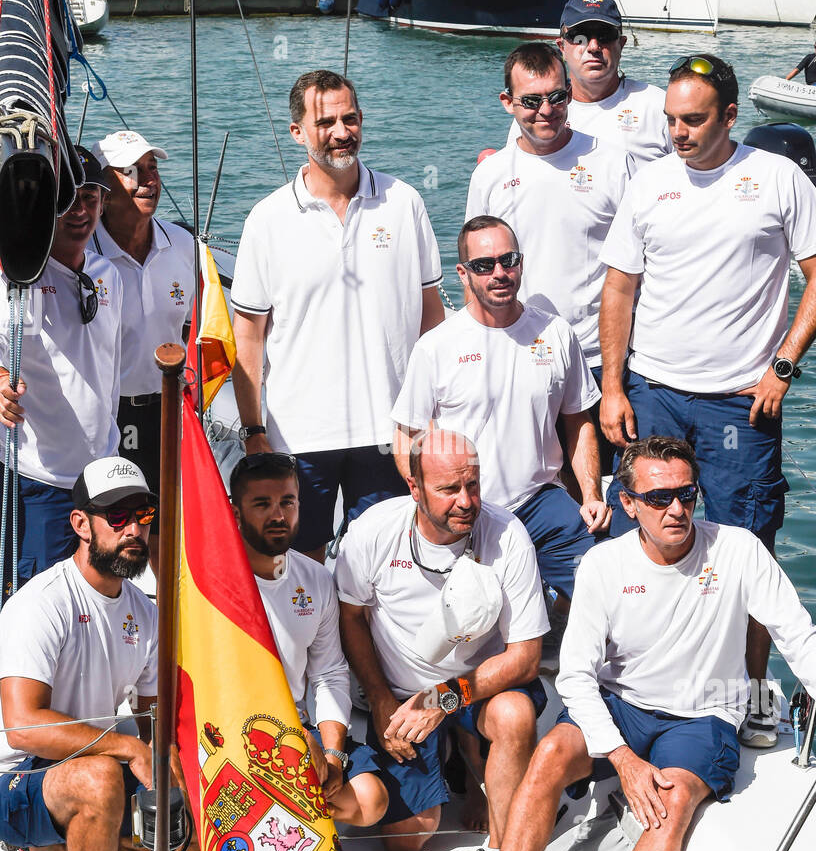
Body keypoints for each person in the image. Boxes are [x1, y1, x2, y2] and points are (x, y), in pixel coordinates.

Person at [423, 436, 816, 851]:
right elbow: (577, 676)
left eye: (686, 494)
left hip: (703, 715)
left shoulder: (737, 550)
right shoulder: (604, 565)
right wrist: (624, 760)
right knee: (553, 749)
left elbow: (800, 638)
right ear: (627, 504)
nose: (677, 509)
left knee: (673, 802)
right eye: (658, 498)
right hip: (624, 705)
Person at [597, 53, 816, 746]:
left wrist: (783, 369)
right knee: (644, 542)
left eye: (694, 120)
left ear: (730, 116)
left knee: (748, 550)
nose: (678, 132)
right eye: (671, 119)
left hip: (742, 405)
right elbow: (619, 288)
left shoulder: (776, 178)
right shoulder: (649, 184)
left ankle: (755, 689)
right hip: (654, 391)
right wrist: (613, 386)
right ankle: (633, 687)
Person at [231, 68, 443, 563]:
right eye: (325, 122)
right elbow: (249, 338)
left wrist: (431, 415)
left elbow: (432, 321)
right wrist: (252, 429)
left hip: (389, 431)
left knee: (386, 569)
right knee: (299, 568)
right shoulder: (267, 219)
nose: (341, 132)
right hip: (298, 438)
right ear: (297, 132)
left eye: (350, 118)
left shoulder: (405, 203)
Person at [0, 457, 181, 851]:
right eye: (116, 515)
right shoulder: (41, 603)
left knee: (176, 760)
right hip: (12, 778)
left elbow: (153, 722)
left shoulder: (145, 612)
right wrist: (131, 748)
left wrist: (170, 774)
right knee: (101, 775)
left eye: (143, 513)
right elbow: (22, 727)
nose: (133, 528)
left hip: (65, 766)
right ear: (82, 524)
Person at [335, 430, 549, 851]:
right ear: (414, 488)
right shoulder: (373, 532)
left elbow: (527, 657)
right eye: (449, 489)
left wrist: (441, 700)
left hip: (476, 687)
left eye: (472, 485)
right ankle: (462, 753)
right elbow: (351, 618)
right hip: (402, 690)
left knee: (514, 716)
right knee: (406, 839)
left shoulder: (508, 535)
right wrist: (379, 699)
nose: (466, 501)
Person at [392, 216, 608, 615]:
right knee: (468, 624)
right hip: (468, 509)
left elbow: (579, 424)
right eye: (483, 265)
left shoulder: (557, 334)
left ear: (521, 263)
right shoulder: (435, 347)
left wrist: (592, 495)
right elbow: (408, 434)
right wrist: (426, 500)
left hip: (542, 504)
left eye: (508, 260)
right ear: (463, 273)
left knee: (605, 591)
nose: (499, 273)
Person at [466, 42, 631, 469]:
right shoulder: (490, 175)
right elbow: (474, 276)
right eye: (531, 101)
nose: (546, 110)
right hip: (517, 360)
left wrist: (618, 378)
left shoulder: (614, 163)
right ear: (508, 103)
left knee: (605, 494)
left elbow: (639, 270)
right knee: (527, 488)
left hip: (599, 362)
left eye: (557, 97)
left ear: (570, 94)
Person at [230, 451, 387, 827]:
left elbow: (330, 674)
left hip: (300, 730)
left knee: (371, 802)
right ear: (236, 512)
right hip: (229, 727)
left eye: (287, 501)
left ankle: (285, 817)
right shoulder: (209, 582)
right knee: (297, 759)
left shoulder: (315, 578)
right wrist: (297, 738)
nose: (278, 515)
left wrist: (332, 754)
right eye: (262, 504)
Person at [0, 148, 122, 586]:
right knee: (38, 600)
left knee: (100, 595)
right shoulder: (12, 281)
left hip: (104, 476)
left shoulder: (109, 274)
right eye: (68, 200)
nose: (81, 211)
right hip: (41, 480)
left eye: (92, 198)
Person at [90, 129, 195, 558]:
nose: (147, 180)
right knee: (114, 525)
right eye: (131, 171)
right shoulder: (81, 251)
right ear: (104, 188)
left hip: (168, 408)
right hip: (106, 414)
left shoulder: (183, 245)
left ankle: (163, 616)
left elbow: (195, 325)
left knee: (168, 521)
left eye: (152, 168)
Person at [506, 0, 672, 165]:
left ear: (621, 45)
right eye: (580, 36)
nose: (593, 47)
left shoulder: (659, 106)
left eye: (605, 35)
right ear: (562, 47)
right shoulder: (535, 112)